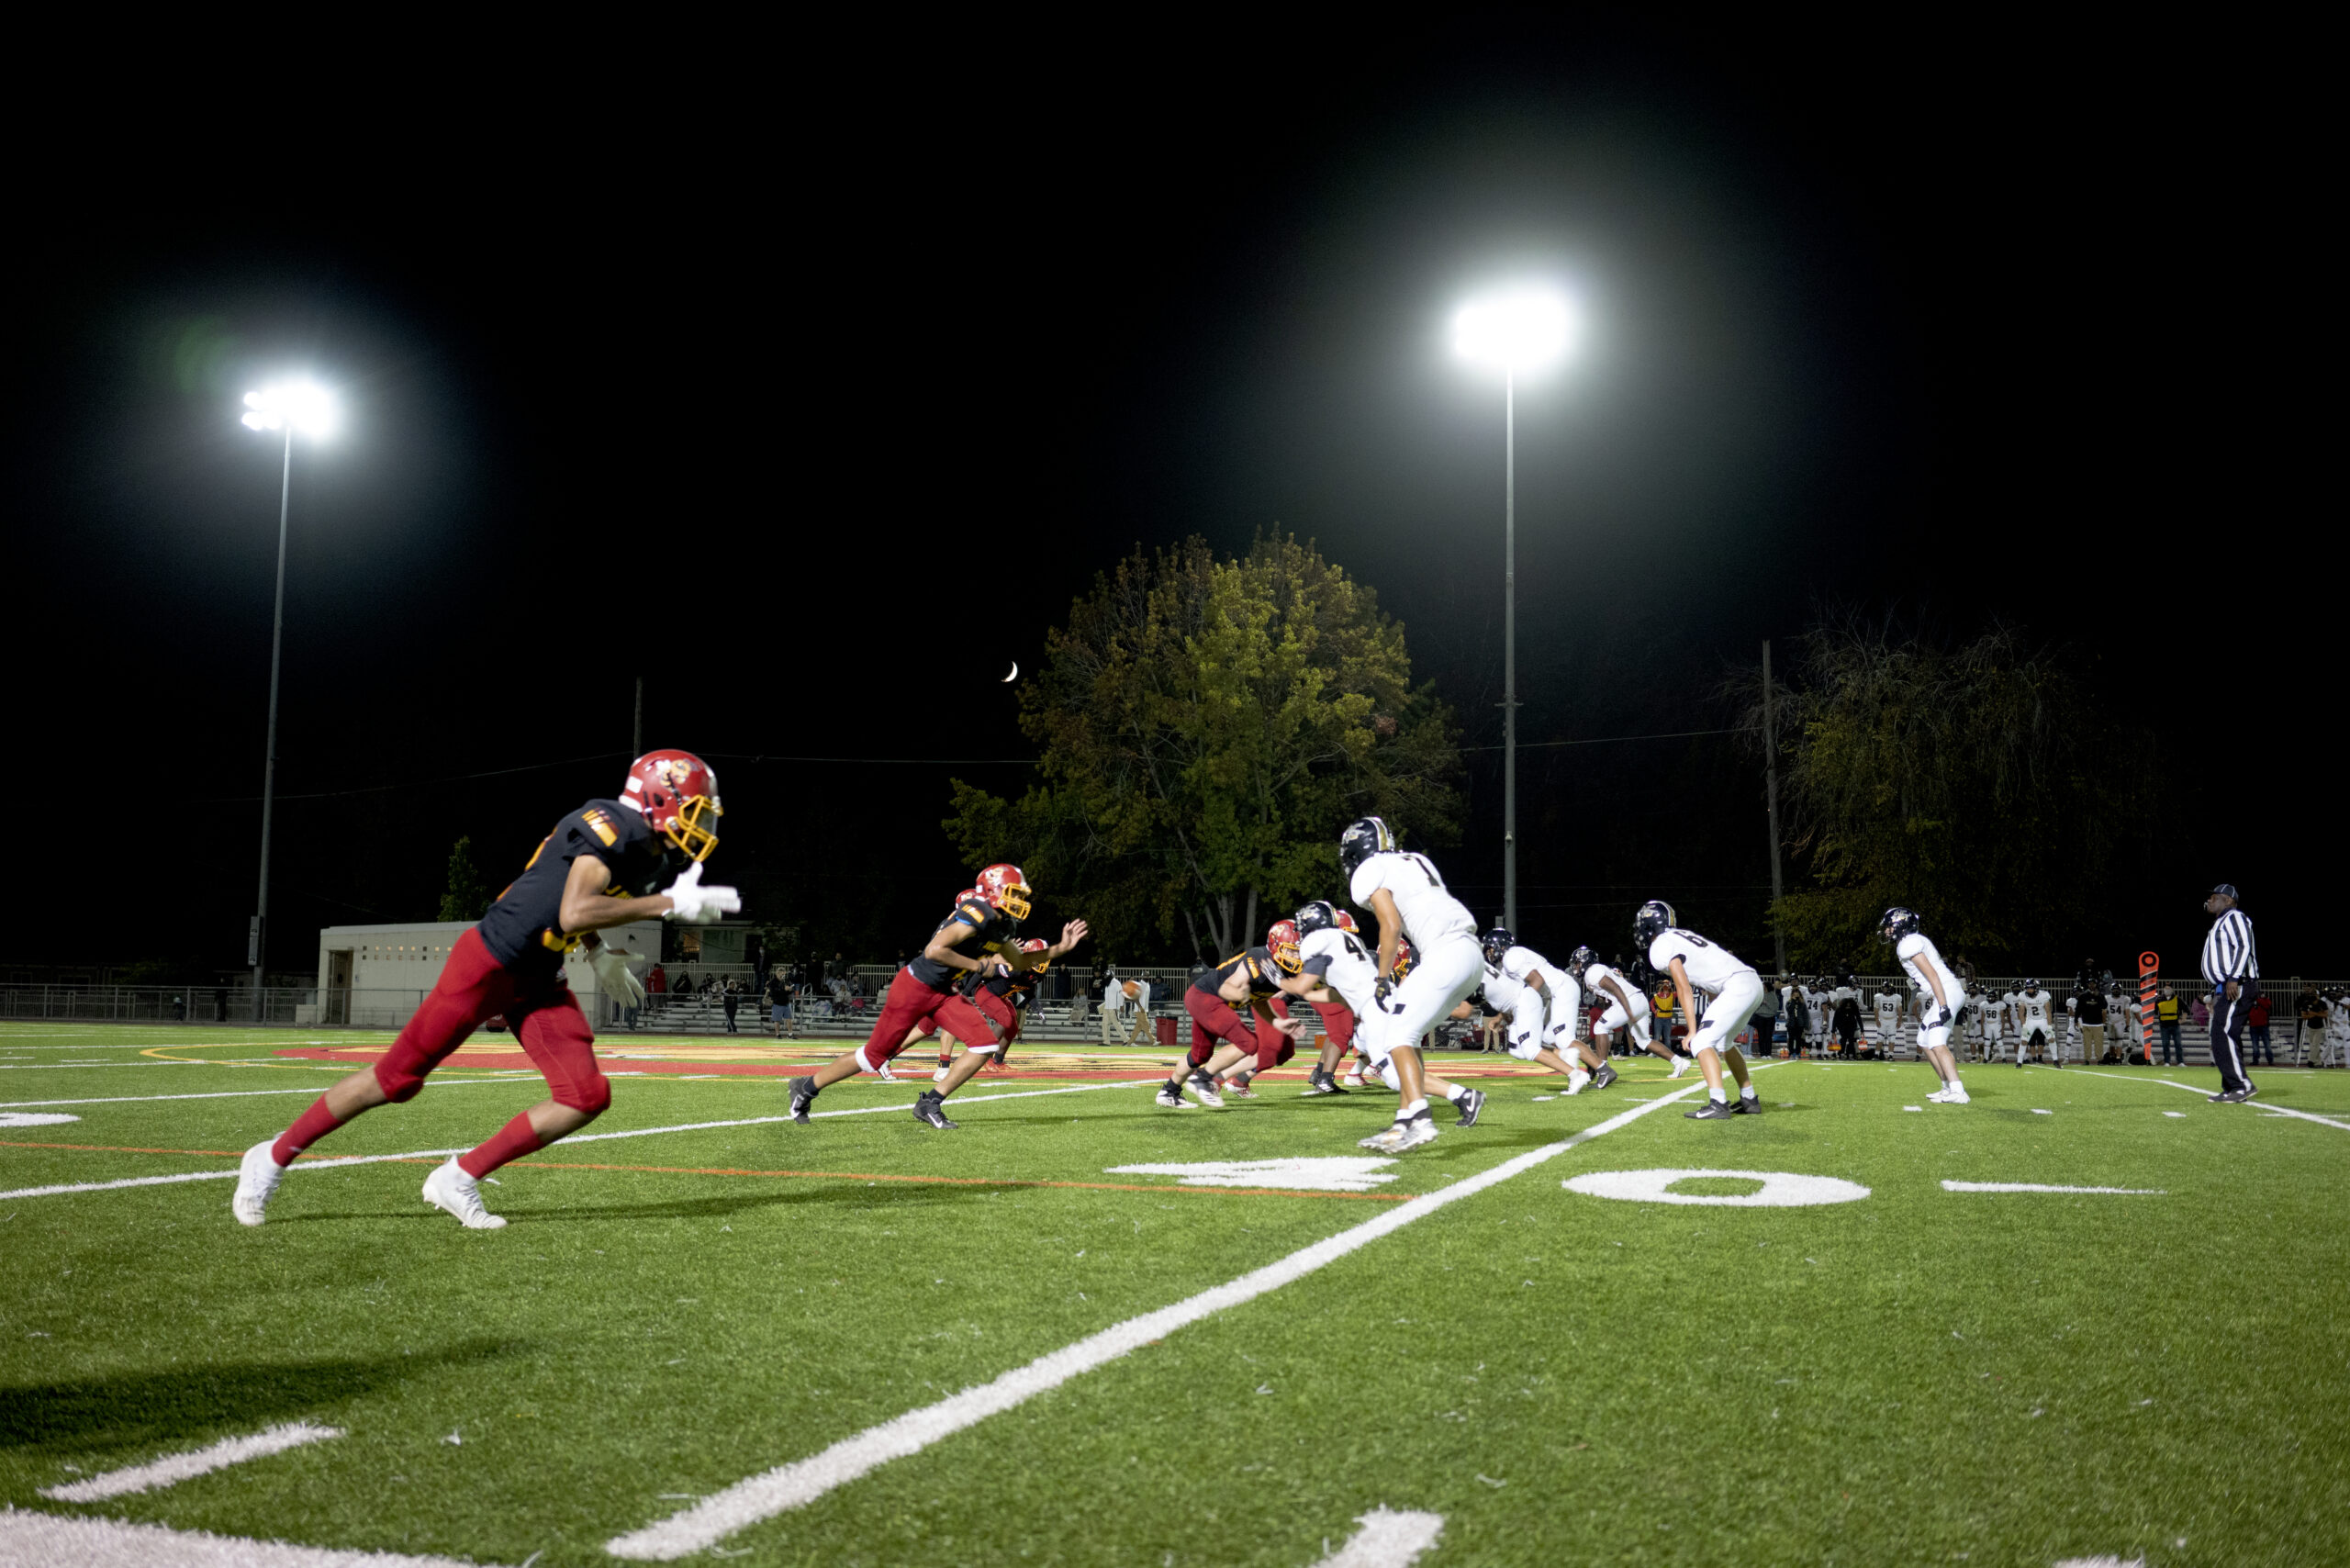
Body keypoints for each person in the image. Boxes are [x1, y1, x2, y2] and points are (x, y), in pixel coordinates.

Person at [231, 751, 739, 1229]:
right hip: (489, 963)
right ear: (658, 798)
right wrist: (665, 905)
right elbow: (573, 909)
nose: (701, 823)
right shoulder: (616, 825)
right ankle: (271, 1157)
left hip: (539, 977)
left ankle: (458, 1177)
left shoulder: (646, 850)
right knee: (395, 1080)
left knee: (585, 1095)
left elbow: (563, 898)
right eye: (693, 810)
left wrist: (597, 951)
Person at [788, 866, 1086, 1129]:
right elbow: (934, 950)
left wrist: (1060, 948)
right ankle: (806, 1087)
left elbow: (1020, 962)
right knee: (872, 1057)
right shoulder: (977, 910)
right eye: (1013, 893)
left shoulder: (1003, 924)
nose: (1019, 900)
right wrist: (978, 965)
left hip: (945, 993)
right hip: (916, 987)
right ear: (993, 889)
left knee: (984, 1044)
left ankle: (930, 1103)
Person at [1338, 817, 1489, 1152]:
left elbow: (1390, 925)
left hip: (1445, 952)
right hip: (1470, 954)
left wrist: (1381, 977)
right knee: (1408, 1034)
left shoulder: (1371, 869)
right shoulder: (1415, 859)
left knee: (1396, 1036)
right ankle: (1405, 1120)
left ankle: (1419, 1119)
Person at [1292, 901, 1484, 1127]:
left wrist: (1284, 985)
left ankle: (1462, 1096)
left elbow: (1305, 985)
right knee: (1367, 1044)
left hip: (1376, 1010)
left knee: (1395, 1076)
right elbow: (1338, 995)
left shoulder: (1318, 942)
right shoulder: (1350, 942)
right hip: (1382, 1004)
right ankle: (1410, 1115)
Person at [1633, 902, 1764, 1120]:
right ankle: (1749, 1099)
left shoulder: (1660, 945)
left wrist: (1692, 1030)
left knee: (1701, 1042)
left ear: (1648, 926)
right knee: (1724, 1043)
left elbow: (1683, 988)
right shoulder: (1682, 935)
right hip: (1751, 982)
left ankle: (1718, 1103)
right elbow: (1709, 978)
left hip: (1736, 985)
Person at [1159, 925, 1309, 1109]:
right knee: (1249, 1043)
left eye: (1297, 951)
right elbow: (1226, 988)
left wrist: (1277, 1021)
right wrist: (1240, 994)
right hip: (1206, 997)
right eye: (1291, 951)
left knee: (1199, 1055)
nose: (1295, 956)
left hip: (1210, 1001)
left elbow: (1260, 1000)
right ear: (1275, 945)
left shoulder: (1283, 972)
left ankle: (1169, 1091)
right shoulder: (1260, 959)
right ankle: (1203, 1079)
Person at [1471, 926, 1613, 1089]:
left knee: (1563, 1038)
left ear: (1498, 945)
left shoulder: (1512, 957)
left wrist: (1525, 1006)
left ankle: (1603, 1069)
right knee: (1544, 1038)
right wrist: (1501, 1016)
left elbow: (1537, 981)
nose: (1488, 953)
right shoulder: (1508, 963)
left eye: (1489, 948)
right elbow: (1517, 992)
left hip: (1559, 989)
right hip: (1551, 995)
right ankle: (1584, 1060)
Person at [1878, 908, 1969, 1103]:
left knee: (1936, 1040)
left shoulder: (1908, 943)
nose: (1886, 931)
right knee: (1924, 1040)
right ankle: (1947, 1087)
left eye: (1889, 926)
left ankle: (1958, 1090)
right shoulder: (1911, 941)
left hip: (1946, 992)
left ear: (1900, 924)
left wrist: (1943, 1005)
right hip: (1942, 993)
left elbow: (1932, 975)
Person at [936, 936, 1052, 1080]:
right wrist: (965, 994)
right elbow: (982, 971)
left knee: (1013, 1027)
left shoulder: (1037, 975)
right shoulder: (1014, 967)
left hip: (1001, 997)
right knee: (1005, 1019)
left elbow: (1028, 991)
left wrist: (1038, 1008)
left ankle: (997, 1061)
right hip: (986, 992)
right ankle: (981, 1054)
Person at [2199, 883, 2260, 1103]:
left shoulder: (2234, 917)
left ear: (2229, 901)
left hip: (2238, 984)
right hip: (2227, 986)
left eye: (2215, 897)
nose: (2210, 900)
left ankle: (2241, 1085)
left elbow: (2243, 946)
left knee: (2222, 1033)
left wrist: (2233, 978)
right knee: (2226, 1034)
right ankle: (2232, 1086)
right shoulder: (2220, 922)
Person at [1574, 946, 1673, 1075]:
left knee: (1600, 1027)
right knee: (1643, 1041)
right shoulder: (1598, 970)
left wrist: (1627, 1009)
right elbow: (1612, 992)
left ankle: (1603, 1070)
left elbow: (1616, 988)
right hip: (1638, 998)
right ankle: (1679, 1062)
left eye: (1577, 963)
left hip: (1629, 1001)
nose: (1576, 966)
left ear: (1585, 961)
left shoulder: (1592, 972)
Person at [1100, 969, 1155, 1047]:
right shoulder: (1107, 984)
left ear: (1111, 976)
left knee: (1116, 1024)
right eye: (1105, 976)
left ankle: (1126, 1040)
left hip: (1113, 1007)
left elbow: (1121, 994)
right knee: (1104, 1024)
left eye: (1107, 976)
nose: (1105, 977)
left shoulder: (1116, 983)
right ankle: (1106, 1041)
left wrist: (1121, 1005)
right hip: (1107, 1007)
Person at [2009, 980, 2057, 1067]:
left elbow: (2048, 1011)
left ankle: (2056, 1060)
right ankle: (2019, 1062)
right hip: (2030, 1020)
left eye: (2031, 988)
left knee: (2051, 1038)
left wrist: (2049, 1026)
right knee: (2024, 1040)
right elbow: (2021, 1012)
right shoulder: (2022, 995)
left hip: (2042, 1020)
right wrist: (2024, 1026)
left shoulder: (2044, 995)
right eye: (2027, 988)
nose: (2029, 990)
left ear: (2036, 988)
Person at [1869, 986, 1902, 1060]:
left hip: (1892, 1020)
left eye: (1885, 988)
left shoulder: (1896, 997)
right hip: (1882, 1020)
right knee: (1880, 1038)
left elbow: (1900, 1010)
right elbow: (1876, 1009)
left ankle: (1890, 1055)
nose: (1884, 990)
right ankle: (1876, 1055)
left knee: (1892, 1038)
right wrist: (1877, 1020)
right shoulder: (1879, 997)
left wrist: (1899, 1021)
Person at [2154, 986, 2184, 1066]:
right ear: (2163, 990)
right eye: (2166, 988)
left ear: (2172, 990)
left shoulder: (2177, 999)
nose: (2167, 990)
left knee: (2178, 1044)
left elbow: (2186, 1008)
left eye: (2169, 988)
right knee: (2165, 1044)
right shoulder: (2158, 999)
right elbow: (2154, 1011)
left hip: (2175, 1025)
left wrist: (2182, 1019)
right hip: (2164, 1025)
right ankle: (2167, 1061)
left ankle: (2180, 1061)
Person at [767, 964, 796, 1039]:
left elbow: (791, 990)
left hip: (786, 1003)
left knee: (789, 1019)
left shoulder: (786, 980)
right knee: (777, 1020)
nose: (783, 976)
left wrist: (790, 989)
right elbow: (773, 993)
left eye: (784, 974)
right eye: (781, 974)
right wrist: (783, 990)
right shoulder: (773, 982)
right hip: (777, 1003)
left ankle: (790, 1034)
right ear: (777, 973)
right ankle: (778, 1034)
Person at [2245, 991, 2273, 1066]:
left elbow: (2268, 1006)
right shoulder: (2250, 1001)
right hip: (2255, 1025)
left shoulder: (2264, 999)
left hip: (2262, 1025)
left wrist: (2258, 999)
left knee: (2266, 1044)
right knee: (2256, 1045)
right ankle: (2256, 1060)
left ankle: (2270, 1060)